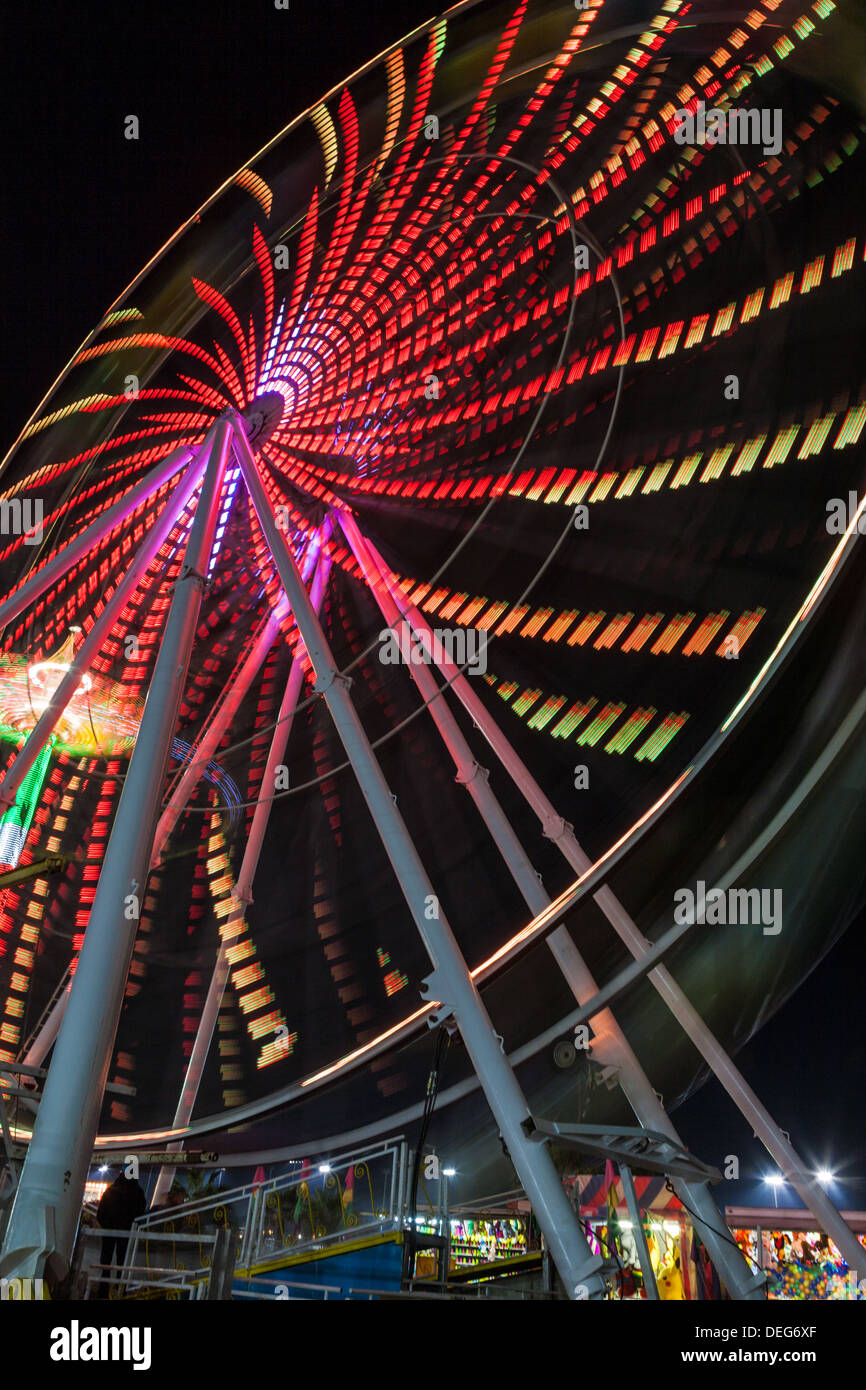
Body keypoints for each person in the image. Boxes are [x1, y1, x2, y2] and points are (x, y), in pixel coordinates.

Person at [96, 1171, 147, 1296]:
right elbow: (141, 1211)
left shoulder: (111, 1191)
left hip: (109, 1230)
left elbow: (100, 1213)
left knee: (106, 1260)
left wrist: (106, 1225)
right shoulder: (137, 1193)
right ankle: (119, 1290)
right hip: (126, 1230)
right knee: (122, 1261)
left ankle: (103, 1290)